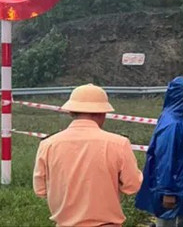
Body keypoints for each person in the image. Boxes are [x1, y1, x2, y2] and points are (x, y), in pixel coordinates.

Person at [33, 83, 143, 227]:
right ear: (102, 113)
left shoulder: (48, 144)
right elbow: (133, 186)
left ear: (71, 112)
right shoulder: (118, 143)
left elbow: (40, 190)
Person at [135, 76, 183, 227]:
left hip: (180, 185)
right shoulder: (173, 124)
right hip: (174, 189)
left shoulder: (175, 118)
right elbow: (165, 159)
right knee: (168, 221)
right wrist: (168, 192)